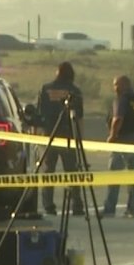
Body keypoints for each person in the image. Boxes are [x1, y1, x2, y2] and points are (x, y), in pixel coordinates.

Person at [35, 61, 85, 215]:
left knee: (48, 171)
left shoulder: (46, 89)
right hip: (68, 135)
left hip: (49, 135)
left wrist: (37, 134)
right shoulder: (75, 91)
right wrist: (79, 138)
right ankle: (76, 204)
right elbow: (79, 117)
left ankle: (48, 205)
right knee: (72, 171)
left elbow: (38, 114)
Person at [102, 75, 134, 219]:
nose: (114, 88)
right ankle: (132, 210)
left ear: (124, 85)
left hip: (122, 142)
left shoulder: (122, 99)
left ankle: (109, 209)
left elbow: (118, 119)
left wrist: (112, 136)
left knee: (114, 176)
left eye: (116, 85)